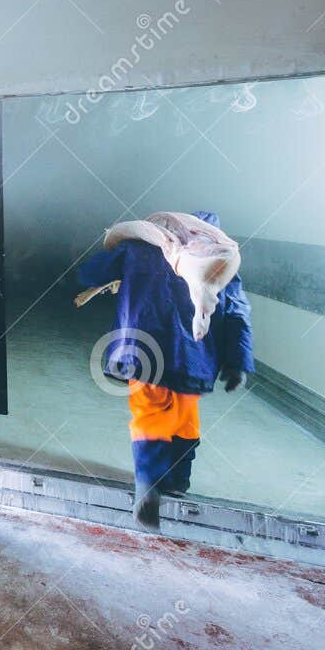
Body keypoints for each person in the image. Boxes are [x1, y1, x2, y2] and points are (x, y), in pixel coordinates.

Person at [75, 210, 254, 528]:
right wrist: (238, 362)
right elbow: (237, 313)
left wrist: (116, 262)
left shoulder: (139, 250)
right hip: (194, 361)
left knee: (151, 415)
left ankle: (148, 486)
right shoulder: (221, 266)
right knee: (185, 419)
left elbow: (89, 274)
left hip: (144, 352)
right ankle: (177, 482)